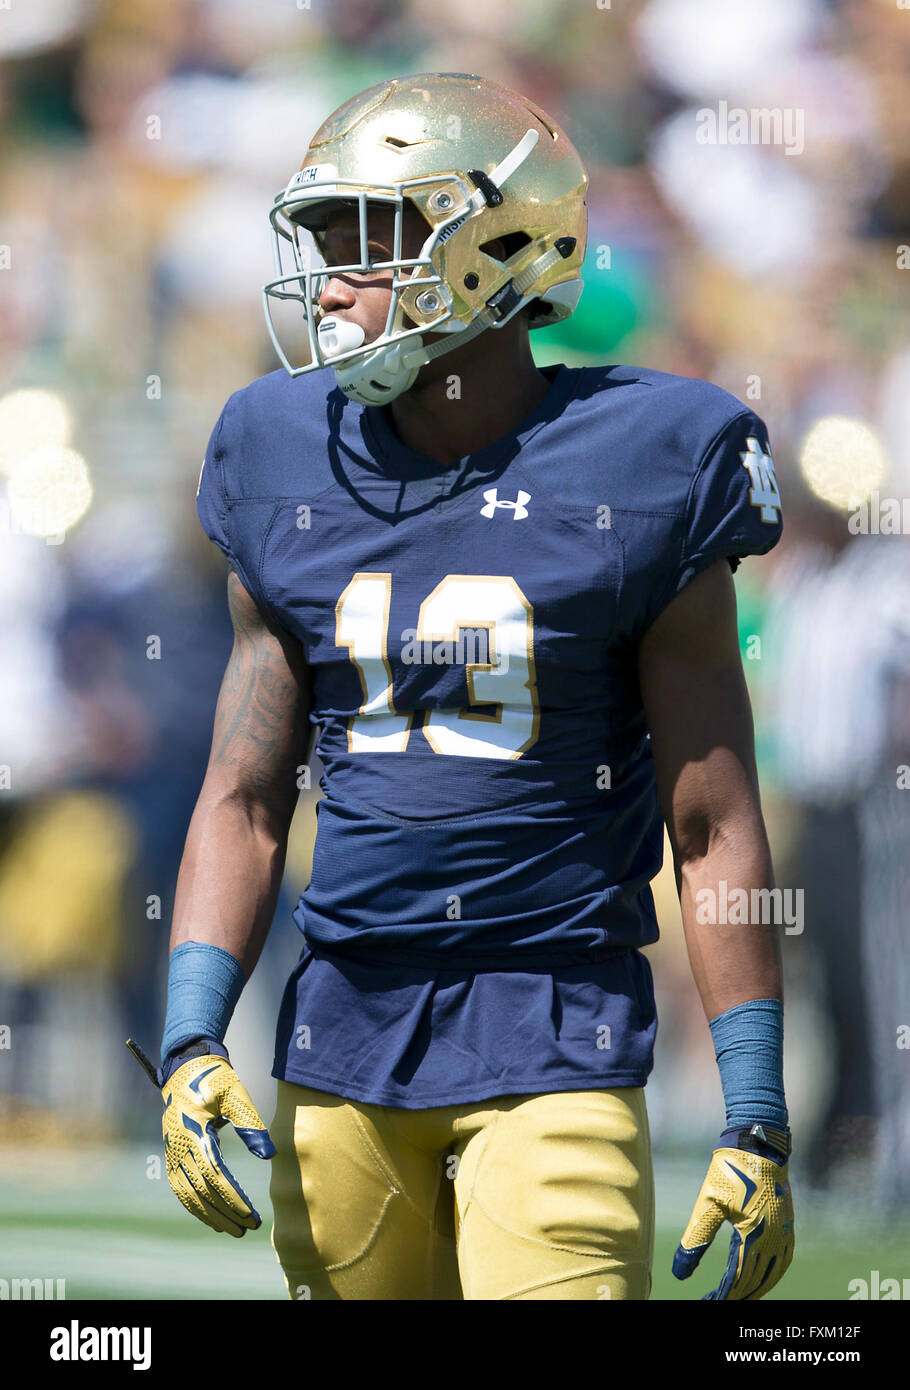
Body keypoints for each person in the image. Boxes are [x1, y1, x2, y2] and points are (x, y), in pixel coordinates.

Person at [128, 72, 794, 1301]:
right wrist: (188, 1034)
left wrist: (752, 1111)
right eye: (319, 242)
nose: (328, 281)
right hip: (341, 1044)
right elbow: (245, 792)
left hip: (557, 1033)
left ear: (494, 251)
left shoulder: (652, 459)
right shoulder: (276, 450)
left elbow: (710, 822)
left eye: (365, 241)